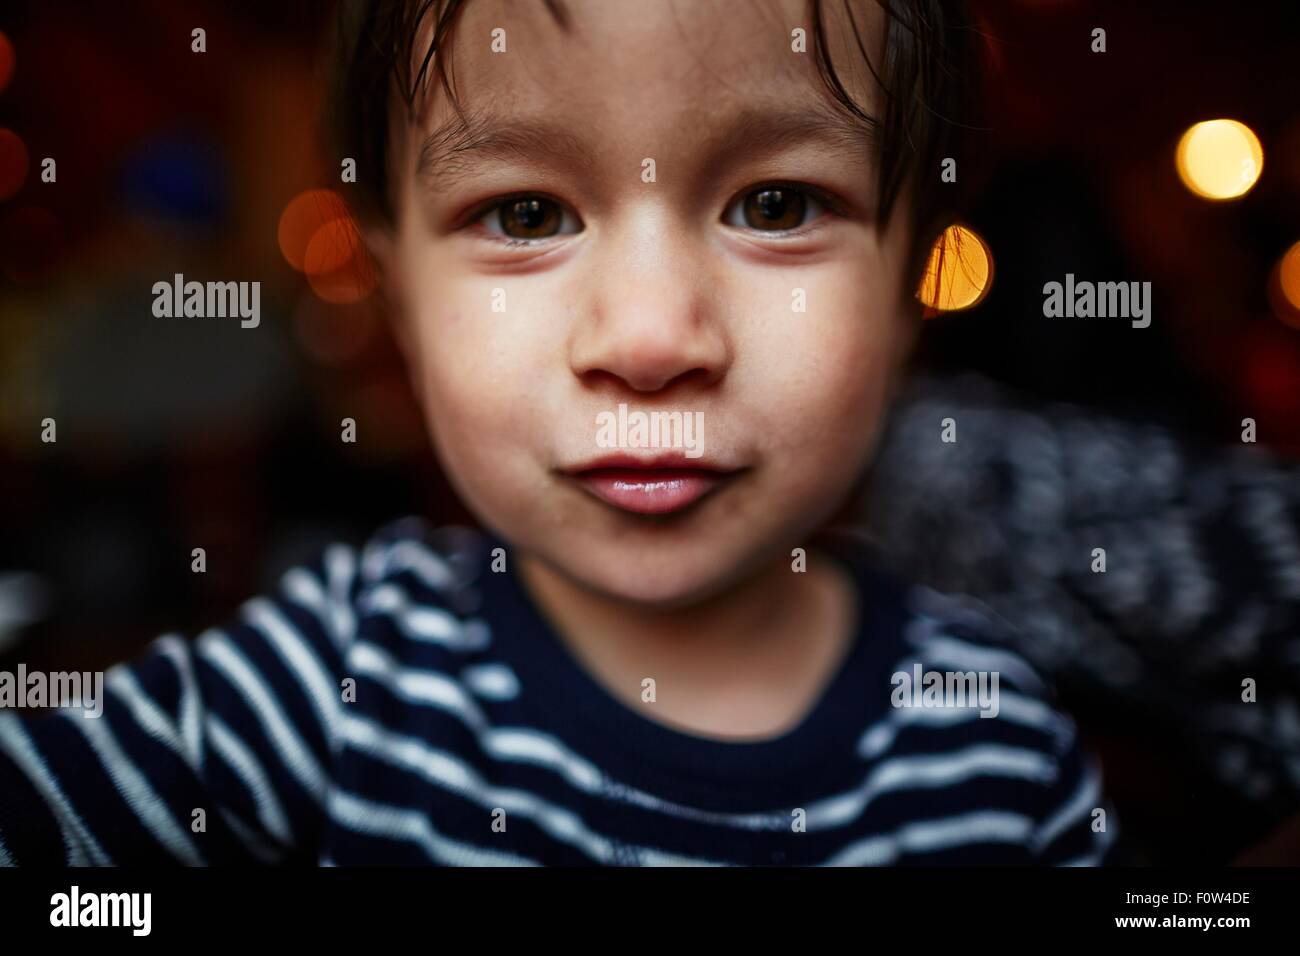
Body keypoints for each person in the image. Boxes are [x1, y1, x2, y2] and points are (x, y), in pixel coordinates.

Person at [0, 0, 1115, 866]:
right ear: (403, 302)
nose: (649, 337)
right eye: (525, 214)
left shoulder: (995, 742)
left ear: (912, 286)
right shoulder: (338, 679)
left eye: (775, 204)